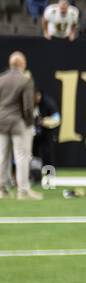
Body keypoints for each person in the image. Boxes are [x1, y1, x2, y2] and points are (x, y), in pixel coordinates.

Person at [0, 51, 40, 200]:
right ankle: (23, 191)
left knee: (2, 156)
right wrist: (29, 124)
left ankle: (2, 189)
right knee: (22, 156)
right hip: (18, 123)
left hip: (1, 122)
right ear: (22, 64)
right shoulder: (25, 80)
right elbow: (28, 107)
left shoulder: (1, 79)